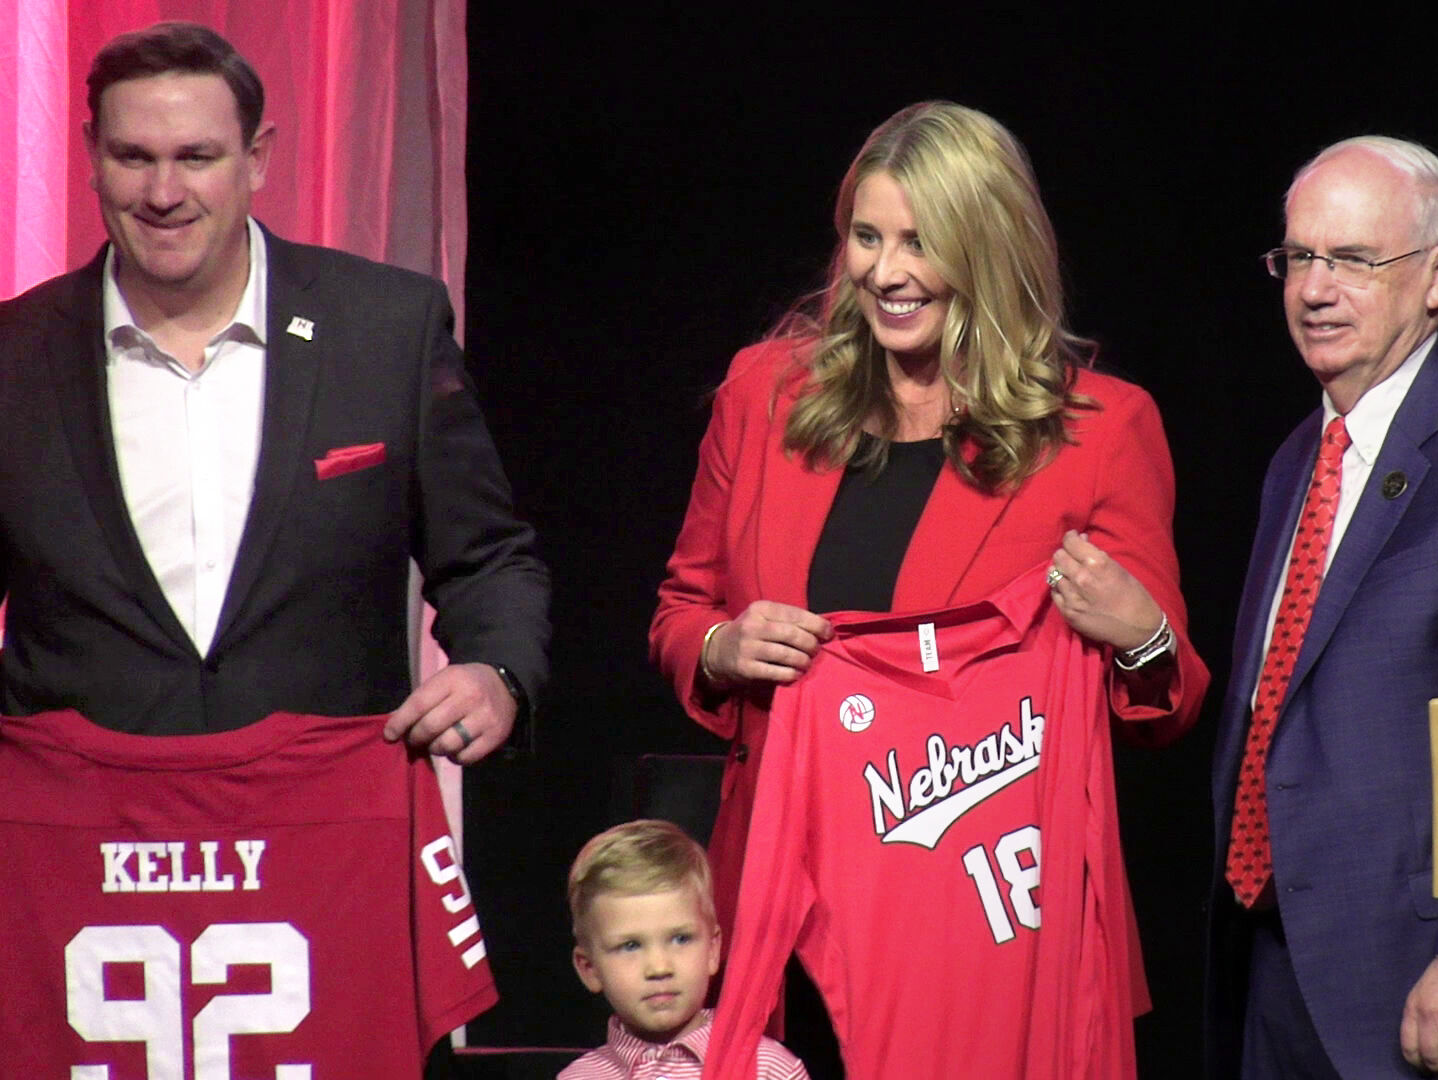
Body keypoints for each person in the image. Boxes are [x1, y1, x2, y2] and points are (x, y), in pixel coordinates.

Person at [649, 101, 1208, 933]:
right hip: (780, 897)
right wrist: (722, 648)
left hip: (976, 919)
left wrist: (1144, 636)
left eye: (921, 243)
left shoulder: (1098, 431)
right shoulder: (762, 395)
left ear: (988, 252)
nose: (885, 272)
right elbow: (680, 610)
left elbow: (1169, 703)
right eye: (867, 237)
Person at [0, 22, 548, 757]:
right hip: (81, 827)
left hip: (322, 812)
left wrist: (495, 674)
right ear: (93, 157)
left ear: (257, 159)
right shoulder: (15, 355)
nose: (163, 192)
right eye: (134, 157)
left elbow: (485, 559)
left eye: (196, 157)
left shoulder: (387, 330)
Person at [1207, 136, 1438, 1079]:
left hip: (1415, 976)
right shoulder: (1295, 457)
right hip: (1272, 958)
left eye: (1353, 260)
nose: (1314, 290)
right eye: (1299, 257)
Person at [561, 820, 807, 1080]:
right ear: (590, 969)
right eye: (630, 946)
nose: (659, 967)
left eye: (680, 939)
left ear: (713, 949)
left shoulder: (768, 1069)